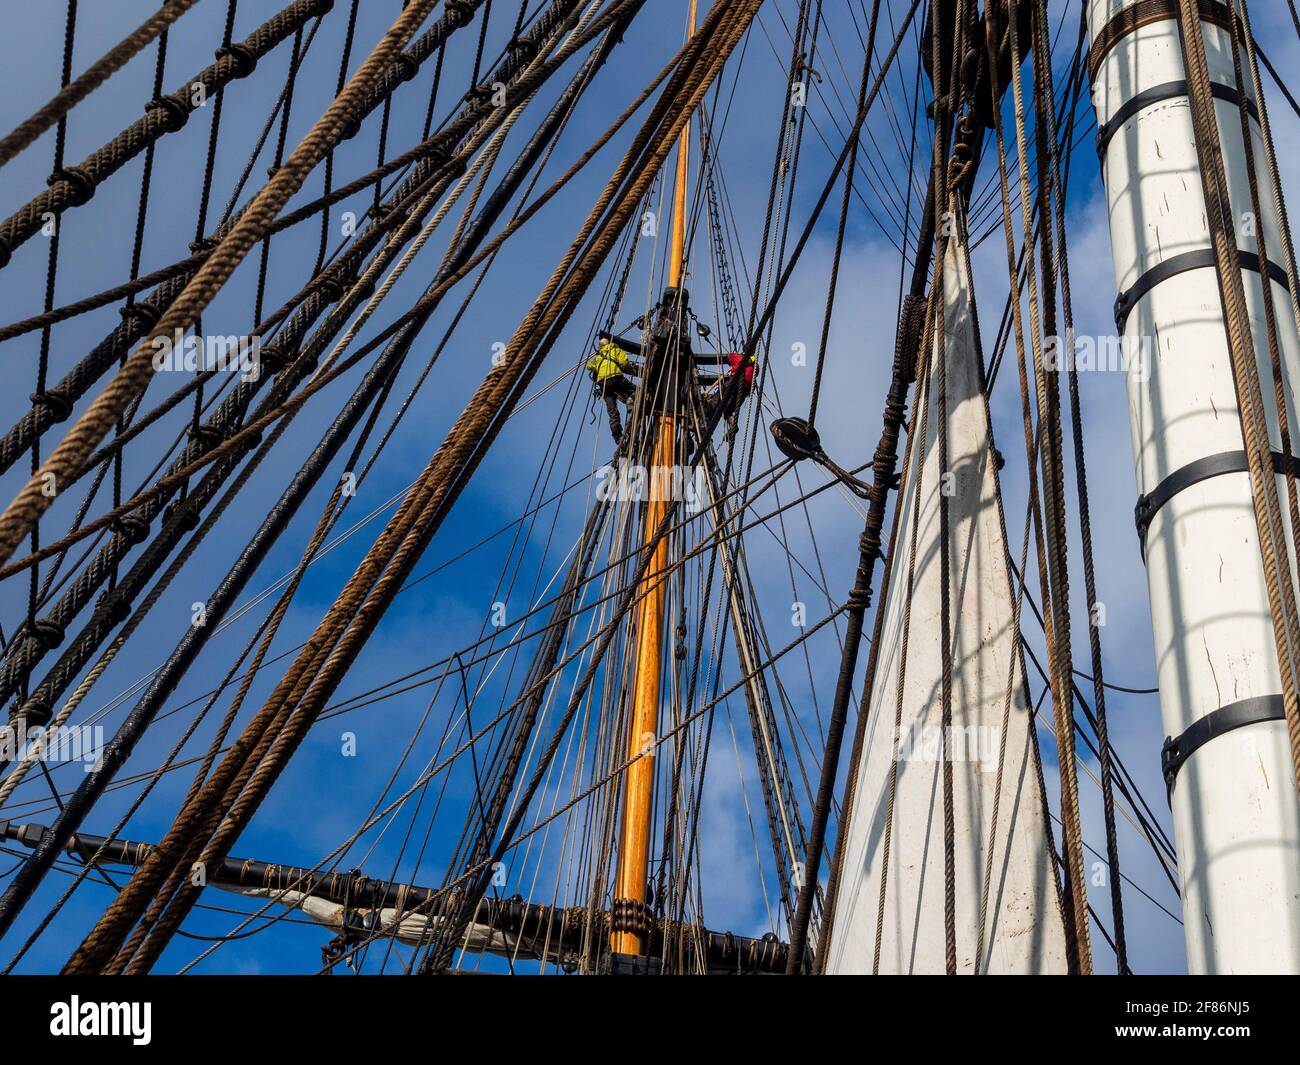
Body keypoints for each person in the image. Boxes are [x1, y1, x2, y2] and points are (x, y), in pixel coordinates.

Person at [587, 332, 637, 443]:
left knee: (612, 411)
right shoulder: (616, 350)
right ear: (610, 343)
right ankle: (631, 400)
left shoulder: (598, 357)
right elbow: (624, 363)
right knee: (636, 391)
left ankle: (618, 436)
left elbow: (589, 367)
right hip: (615, 378)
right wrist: (633, 371)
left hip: (603, 385)